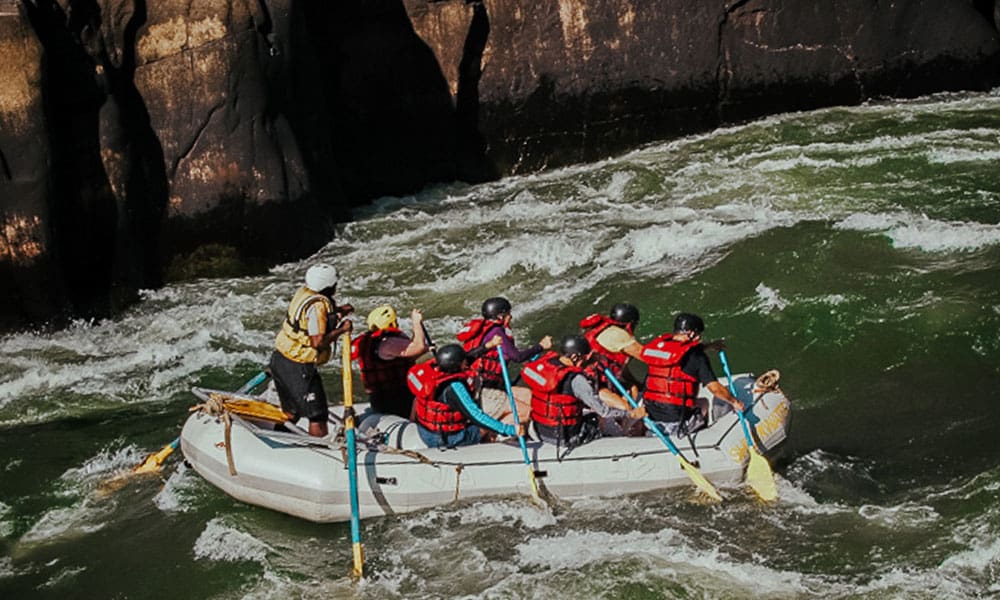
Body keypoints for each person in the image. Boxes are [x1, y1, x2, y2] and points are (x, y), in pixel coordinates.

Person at [270, 263, 354, 437]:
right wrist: (342, 330)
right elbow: (318, 341)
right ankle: (320, 451)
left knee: (291, 411)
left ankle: (280, 440)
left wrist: (339, 312)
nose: (336, 287)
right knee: (318, 415)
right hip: (299, 365)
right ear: (327, 286)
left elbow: (310, 320)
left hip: (280, 358)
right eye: (334, 284)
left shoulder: (305, 293)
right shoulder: (317, 307)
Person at [522, 335, 646, 448]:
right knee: (596, 417)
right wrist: (631, 414)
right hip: (564, 437)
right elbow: (604, 411)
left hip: (539, 429)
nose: (585, 362)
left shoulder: (545, 365)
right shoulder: (576, 380)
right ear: (575, 356)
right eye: (584, 358)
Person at [639, 312, 743, 437]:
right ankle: (704, 436)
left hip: (651, 415)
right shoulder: (698, 357)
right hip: (677, 420)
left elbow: (679, 355)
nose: (699, 338)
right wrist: (735, 402)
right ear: (691, 333)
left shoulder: (659, 351)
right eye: (699, 334)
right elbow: (714, 388)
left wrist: (709, 346)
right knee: (704, 403)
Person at [456, 297, 552, 424]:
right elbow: (517, 357)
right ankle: (496, 433)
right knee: (527, 411)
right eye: (508, 314)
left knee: (528, 395)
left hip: (483, 384)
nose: (510, 317)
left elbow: (508, 352)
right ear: (501, 316)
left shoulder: (485, 329)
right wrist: (540, 347)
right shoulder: (497, 331)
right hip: (484, 389)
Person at [408, 344, 524, 448]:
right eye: (463, 362)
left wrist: (487, 346)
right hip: (446, 439)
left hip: (425, 432)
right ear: (457, 366)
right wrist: (509, 430)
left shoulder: (433, 372)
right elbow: (476, 416)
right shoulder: (454, 388)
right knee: (485, 426)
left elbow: (467, 358)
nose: (466, 364)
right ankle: (490, 444)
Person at [352, 305, 428, 419]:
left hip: (378, 398)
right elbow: (419, 347)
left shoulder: (370, 341)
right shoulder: (389, 342)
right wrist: (416, 322)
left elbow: (409, 354)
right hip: (395, 399)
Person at [579, 302, 645, 409]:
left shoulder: (602, 330)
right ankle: (630, 420)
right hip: (591, 384)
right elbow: (648, 357)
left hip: (596, 380)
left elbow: (620, 369)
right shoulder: (617, 334)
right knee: (626, 404)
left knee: (633, 388)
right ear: (630, 323)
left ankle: (628, 421)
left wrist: (638, 384)